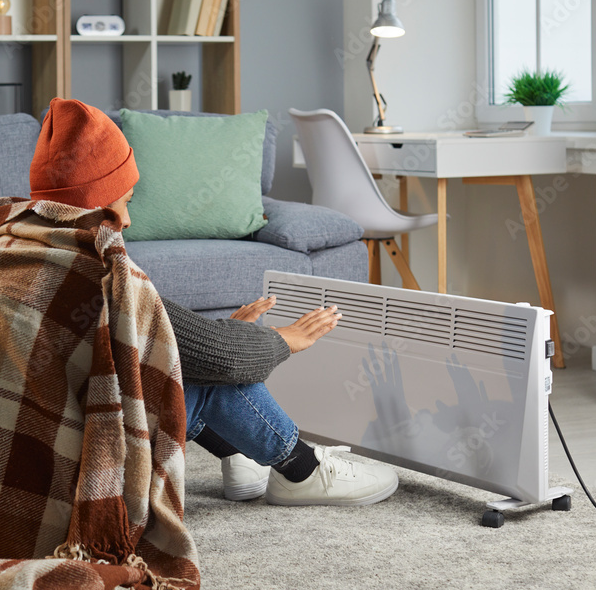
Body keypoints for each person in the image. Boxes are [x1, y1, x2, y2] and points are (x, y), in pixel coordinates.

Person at [29, 98, 399, 507]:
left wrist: (223, 335)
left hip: (30, 450)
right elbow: (219, 356)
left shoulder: (14, 252)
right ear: (96, 201)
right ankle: (301, 470)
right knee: (201, 374)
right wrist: (285, 338)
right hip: (78, 468)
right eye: (125, 201)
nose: (128, 220)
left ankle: (238, 454)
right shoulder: (101, 279)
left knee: (187, 357)